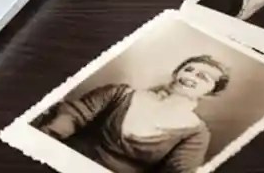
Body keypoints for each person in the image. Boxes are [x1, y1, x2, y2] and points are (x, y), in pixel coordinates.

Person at [35, 55, 230, 172]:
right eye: (188, 69)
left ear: (211, 93)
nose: (189, 77)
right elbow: (75, 115)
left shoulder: (195, 133)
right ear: (176, 73)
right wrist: (44, 140)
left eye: (202, 77)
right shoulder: (120, 93)